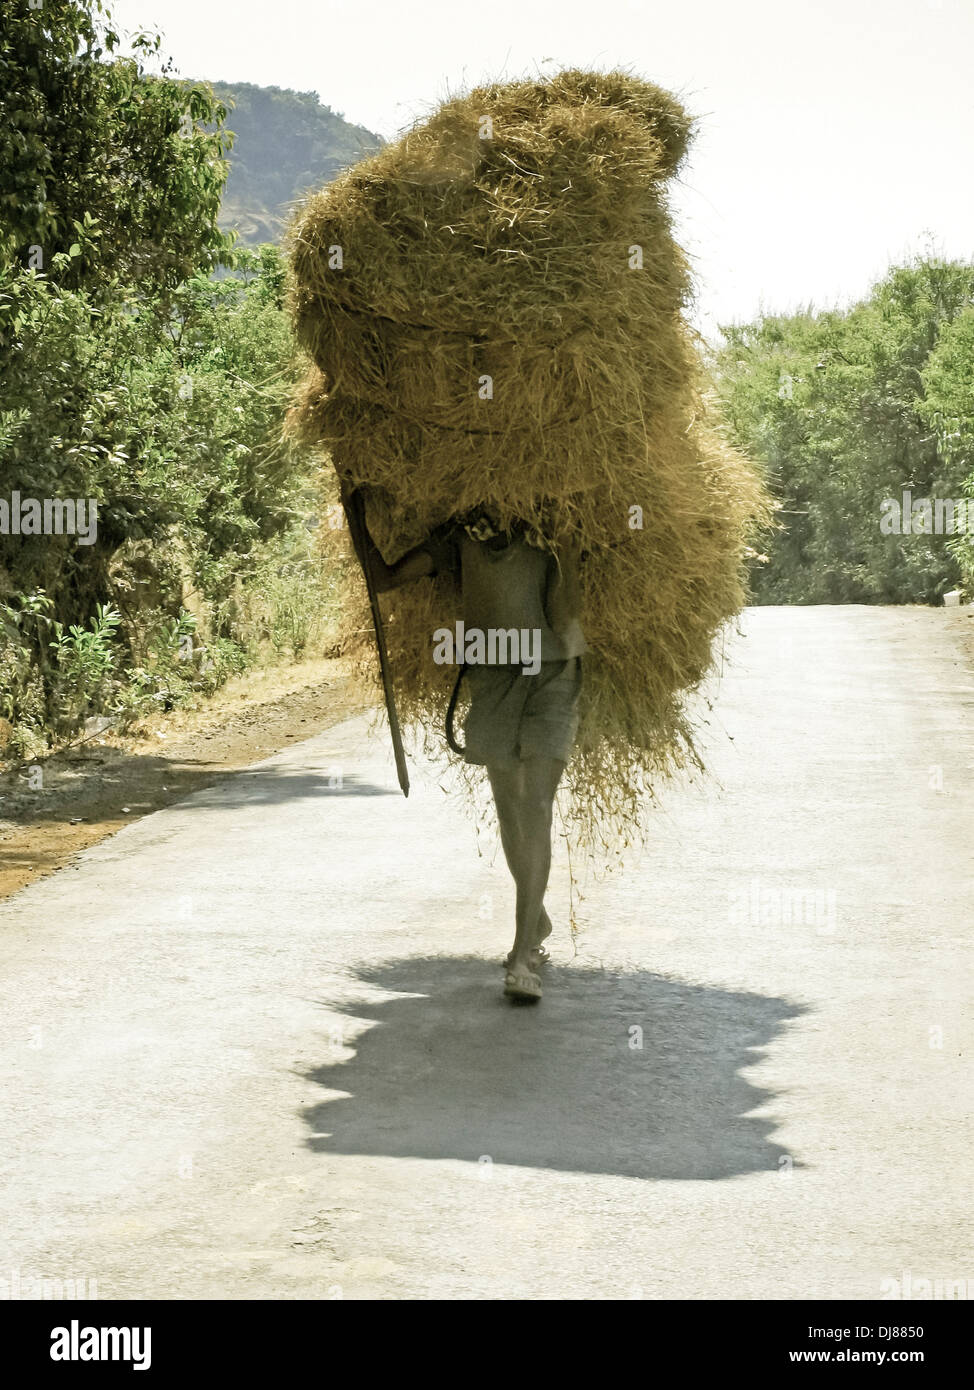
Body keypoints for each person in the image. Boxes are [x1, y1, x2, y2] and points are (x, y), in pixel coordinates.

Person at [342, 488, 586, 1002]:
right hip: (493, 678)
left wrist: (563, 548)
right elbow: (383, 579)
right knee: (511, 807)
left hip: (553, 676)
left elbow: (566, 618)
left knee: (537, 803)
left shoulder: (549, 526)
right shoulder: (459, 536)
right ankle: (533, 915)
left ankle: (522, 954)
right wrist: (355, 515)